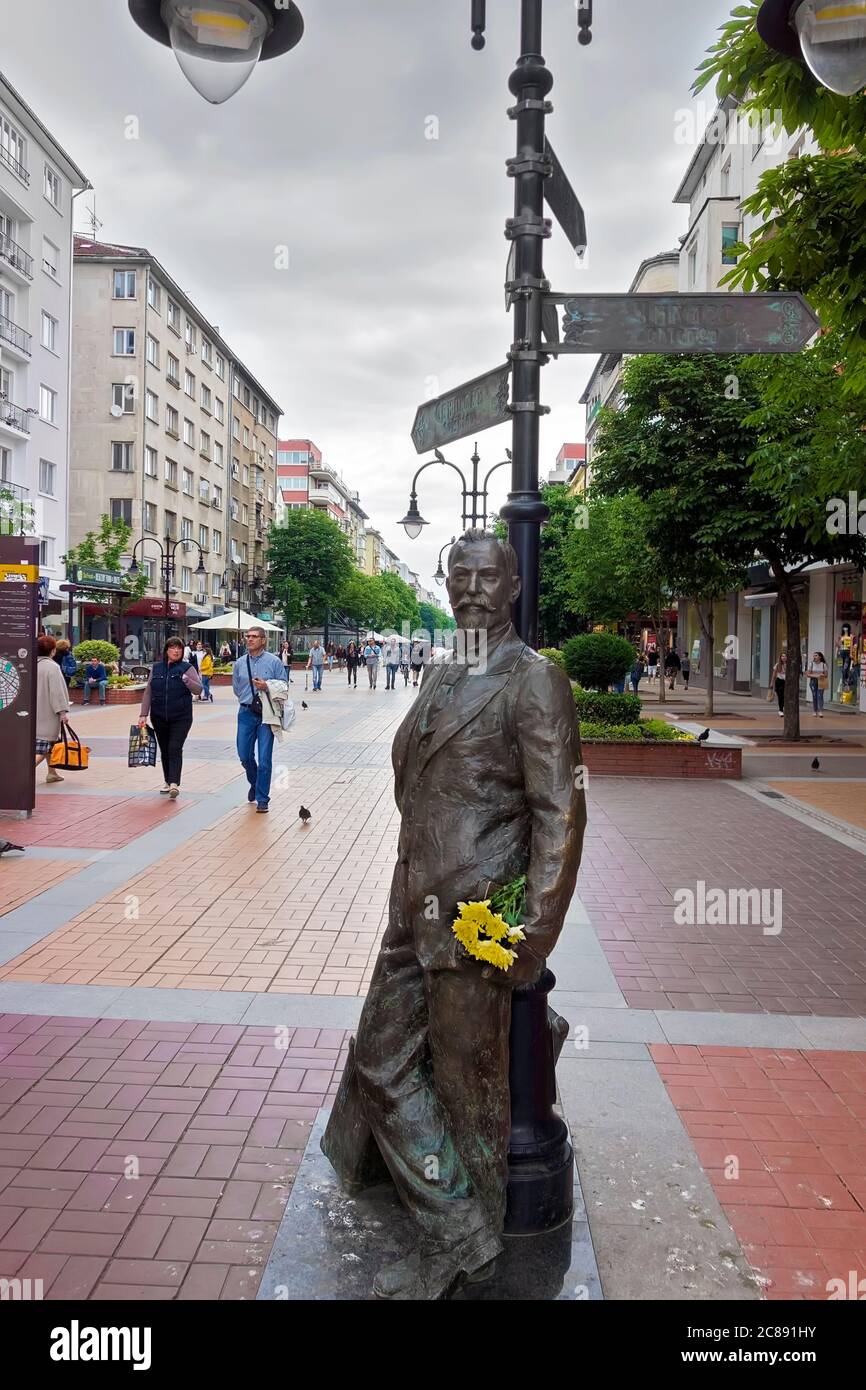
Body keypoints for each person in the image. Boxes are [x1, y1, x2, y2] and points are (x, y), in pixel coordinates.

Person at [321, 530, 587, 1300]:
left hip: (481, 921)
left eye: (487, 576)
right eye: (458, 575)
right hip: (415, 908)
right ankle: (455, 1221)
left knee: (471, 1090)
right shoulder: (443, 669)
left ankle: (463, 1244)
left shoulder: (533, 679)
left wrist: (529, 937)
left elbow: (560, 815)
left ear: (511, 588)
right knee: (381, 1060)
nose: (470, 588)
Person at [138, 637, 202, 798]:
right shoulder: (157, 668)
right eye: (173, 648)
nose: (176, 651)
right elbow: (148, 691)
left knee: (174, 747)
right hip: (159, 716)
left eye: (179, 648)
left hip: (181, 717)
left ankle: (174, 783)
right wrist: (143, 714)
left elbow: (198, 690)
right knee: (165, 749)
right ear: (166, 650)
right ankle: (167, 781)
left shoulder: (187, 668)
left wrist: (187, 681)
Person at [233, 626, 287, 813]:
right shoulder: (239, 663)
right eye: (248, 636)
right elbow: (236, 689)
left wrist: (266, 686)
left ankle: (262, 799)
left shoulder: (274, 662)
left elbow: (284, 686)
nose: (250, 639)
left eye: (255, 637)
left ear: (263, 640)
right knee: (244, 755)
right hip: (246, 713)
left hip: (267, 715)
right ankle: (255, 783)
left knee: (264, 759)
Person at [35, 635, 70, 784]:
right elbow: (57, 692)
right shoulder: (52, 667)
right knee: (44, 746)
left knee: (50, 744)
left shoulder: (32, 665)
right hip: (48, 712)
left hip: (33, 712)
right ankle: (24, 773)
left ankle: (52, 772)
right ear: (53, 650)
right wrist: (62, 712)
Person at [806, 650, 828, 718]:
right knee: (815, 695)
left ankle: (820, 711)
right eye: (814, 655)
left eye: (816, 655)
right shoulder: (811, 664)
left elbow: (826, 675)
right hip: (813, 681)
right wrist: (815, 675)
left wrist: (822, 675)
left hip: (821, 681)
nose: (814, 657)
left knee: (820, 695)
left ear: (820, 657)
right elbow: (808, 674)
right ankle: (815, 711)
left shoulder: (823, 665)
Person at [771, 648, 787, 717]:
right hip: (779, 682)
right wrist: (772, 683)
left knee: (785, 696)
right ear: (780, 657)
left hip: (787, 682)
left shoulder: (789, 665)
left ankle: (783, 707)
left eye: (785, 656)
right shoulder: (777, 665)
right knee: (780, 696)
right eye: (782, 656)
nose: (784, 657)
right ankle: (780, 710)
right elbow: (774, 675)